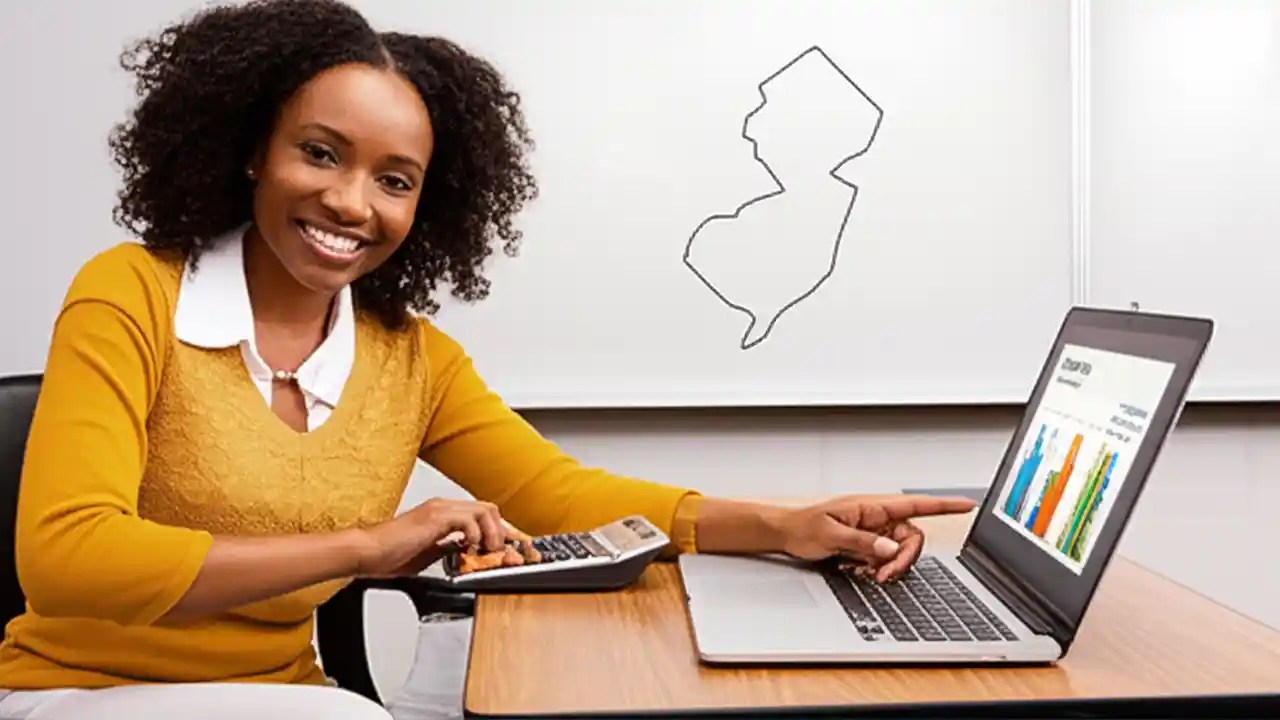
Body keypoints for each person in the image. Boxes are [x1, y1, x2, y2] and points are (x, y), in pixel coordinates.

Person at [0, 1, 976, 718]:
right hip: (81, 694)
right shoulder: (130, 292)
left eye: (394, 180)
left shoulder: (410, 358)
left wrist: (782, 524)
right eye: (321, 153)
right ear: (253, 148)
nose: (351, 203)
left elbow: (557, 493)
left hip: (284, 695)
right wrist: (368, 546)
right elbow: (68, 560)